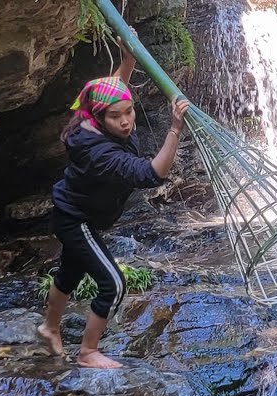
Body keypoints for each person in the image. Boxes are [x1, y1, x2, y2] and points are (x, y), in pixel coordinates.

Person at [38, 45, 190, 369]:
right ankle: (88, 352)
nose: (125, 122)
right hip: (76, 219)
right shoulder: (98, 152)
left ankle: (49, 328)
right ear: (99, 117)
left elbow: (113, 90)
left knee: (69, 272)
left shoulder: (90, 115)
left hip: (76, 211)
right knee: (113, 283)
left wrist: (129, 61)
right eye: (116, 116)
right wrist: (175, 130)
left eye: (129, 111)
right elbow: (151, 174)